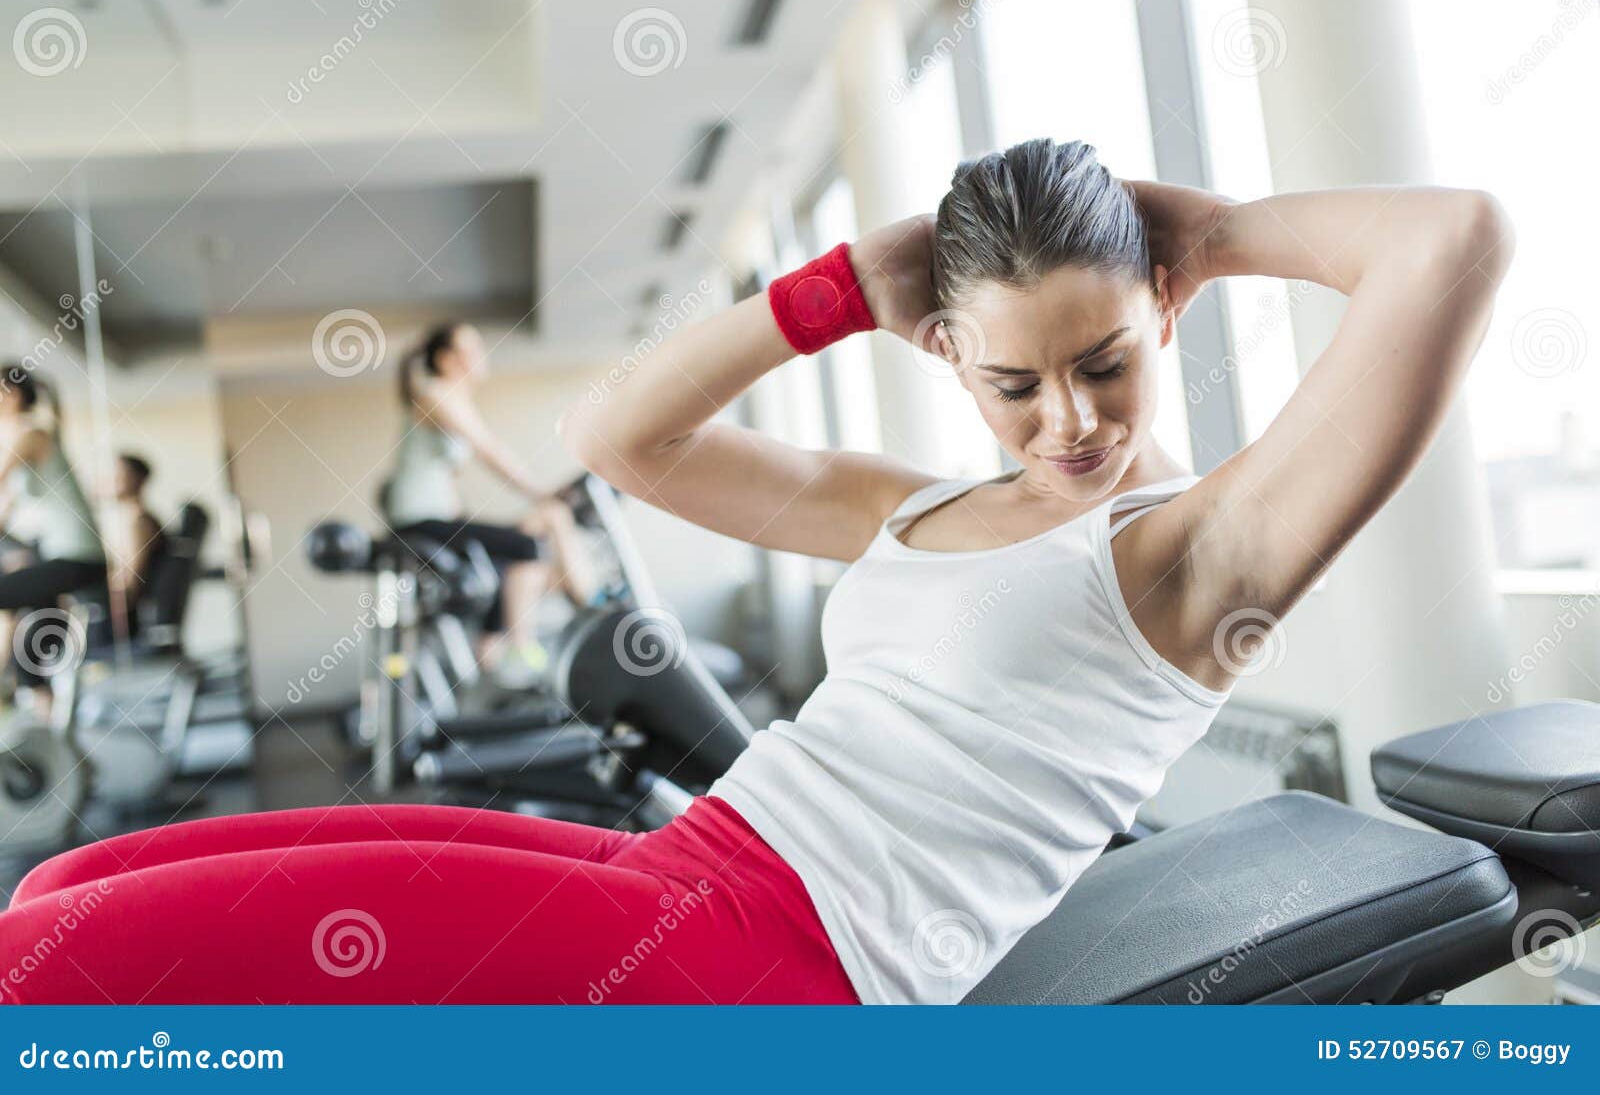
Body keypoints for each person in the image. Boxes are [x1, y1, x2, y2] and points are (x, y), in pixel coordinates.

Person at [0, 140, 1513, 1004]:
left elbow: (1450, 245)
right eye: (1017, 384)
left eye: (1107, 363)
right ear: (948, 357)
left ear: (1163, 312)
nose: (1072, 422)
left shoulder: (1197, 556)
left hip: (795, 960)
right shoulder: (926, 508)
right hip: (693, 865)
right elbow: (620, 436)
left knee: (49, 968)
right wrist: (838, 289)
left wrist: (1196, 228)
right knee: (64, 880)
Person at [382, 321, 596, 683]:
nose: (483, 356)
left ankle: (493, 648)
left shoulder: (451, 398)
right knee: (526, 545)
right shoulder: (436, 394)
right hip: (416, 525)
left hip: (437, 520)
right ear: (447, 359)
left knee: (536, 535)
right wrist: (538, 491)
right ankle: (527, 643)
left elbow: (446, 478)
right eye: (472, 348)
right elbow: (490, 451)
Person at [0, 368, 107, 719]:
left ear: (12, 395)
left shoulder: (32, 435)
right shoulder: (35, 435)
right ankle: (47, 725)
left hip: (76, 558)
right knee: (29, 636)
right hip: (60, 556)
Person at [101, 452, 166, 640]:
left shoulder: (139, 522)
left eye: (117, 474)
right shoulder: (134, 519)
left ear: (136, 480)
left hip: (128, 619)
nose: (109, 480)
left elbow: (130, 581)